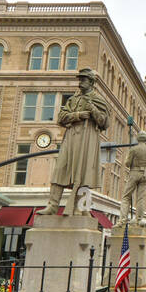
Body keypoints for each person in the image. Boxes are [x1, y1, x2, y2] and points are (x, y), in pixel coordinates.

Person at [37, 68, 109, 216]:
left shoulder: (98, 100)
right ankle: (53, 205)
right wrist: (78, 115)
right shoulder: (72, 99)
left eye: (84, 79)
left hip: (88, 138)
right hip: (71, 137)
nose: (80, 82)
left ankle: (81, 209)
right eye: (80, 79)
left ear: (91, 82)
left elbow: (104, 123)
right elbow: (61, 118)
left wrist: (93, 110)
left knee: (84, 173)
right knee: (60, 169)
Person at [119, 132, 146, 222]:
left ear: (138, 139)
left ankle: (122, 219)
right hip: (145, 174)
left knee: (126, 196)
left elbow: (127, 163)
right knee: (141, 198)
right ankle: (139, 219)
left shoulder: (134, 149)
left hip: (135, 172)